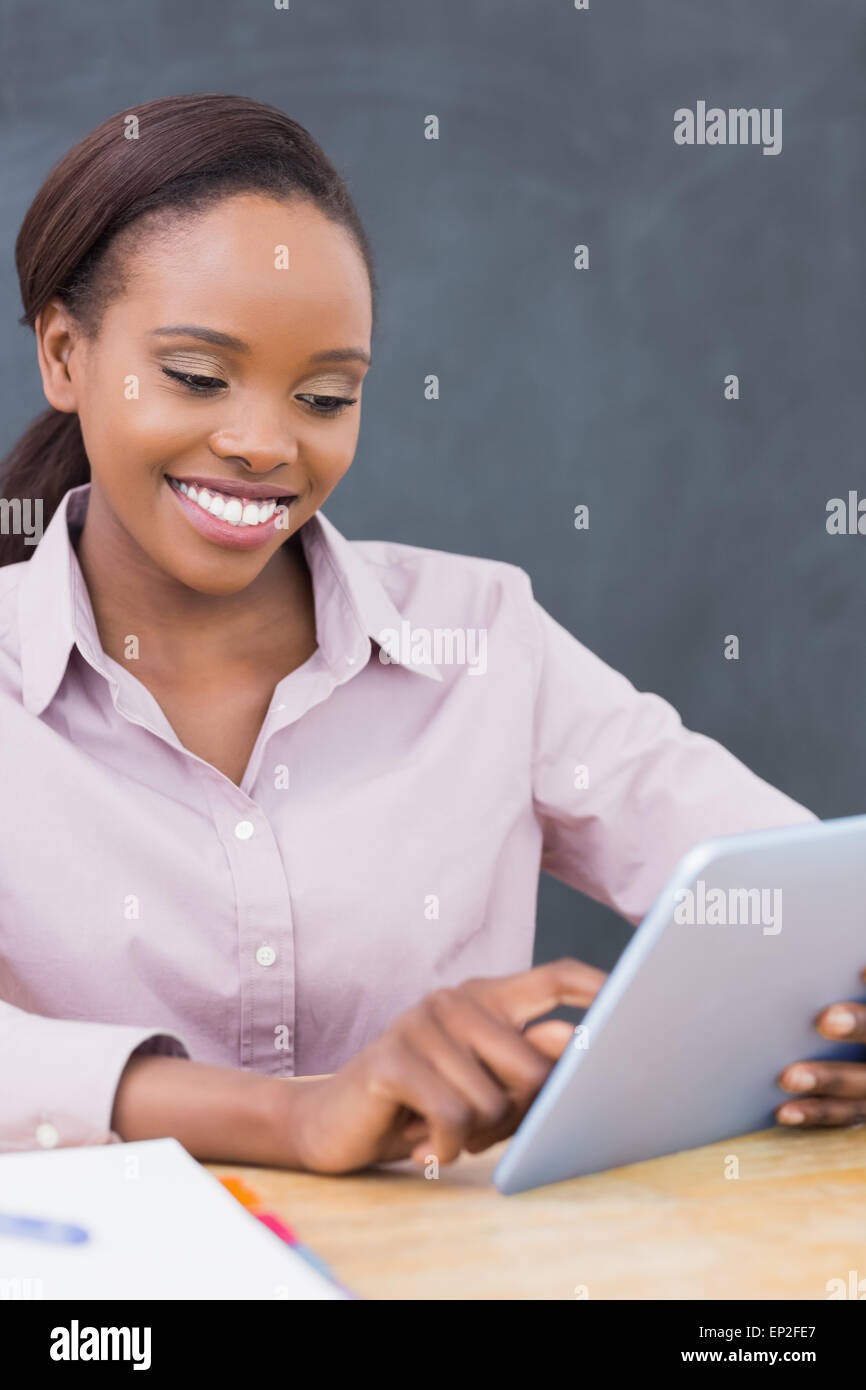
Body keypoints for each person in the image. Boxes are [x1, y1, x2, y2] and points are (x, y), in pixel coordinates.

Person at [0, 94, 861, 1175]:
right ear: (65, 353)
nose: (264, 442)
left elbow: (793, 890)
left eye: (324, 396)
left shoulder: (480, 638)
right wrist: (295, 1117)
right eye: (196, 377)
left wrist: (828, 1020)